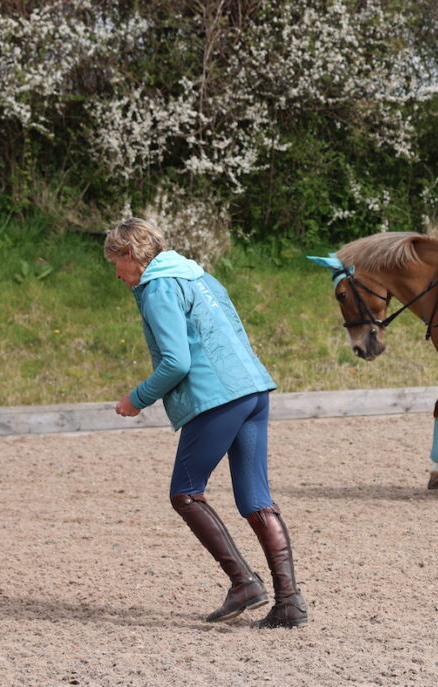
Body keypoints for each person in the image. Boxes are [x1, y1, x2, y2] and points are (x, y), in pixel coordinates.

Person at [105, 218, 307, 629]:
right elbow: (236, 332)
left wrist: (137, 399)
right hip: (252, 390)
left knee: (185, 493)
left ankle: (244, 583)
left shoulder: (159, 286)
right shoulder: (200, 276)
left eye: (116, 263)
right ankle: (289, 601)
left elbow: (176, 362)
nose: (117, 274)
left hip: (217, 400)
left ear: (130, 254)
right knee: (256, 500)